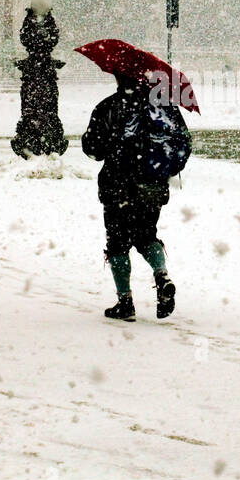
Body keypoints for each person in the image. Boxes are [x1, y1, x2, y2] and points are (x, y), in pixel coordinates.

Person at [81, 74, 188, 321]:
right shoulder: (164, 107)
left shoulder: (108, 106)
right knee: (146, 235)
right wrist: (166, 168)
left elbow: (92, 149)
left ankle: (125, 302)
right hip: (152, 186)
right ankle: (161, 275)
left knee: (117, 243)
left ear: (119, 79)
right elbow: (184, 143)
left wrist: (111, 144)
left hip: (117, 186)